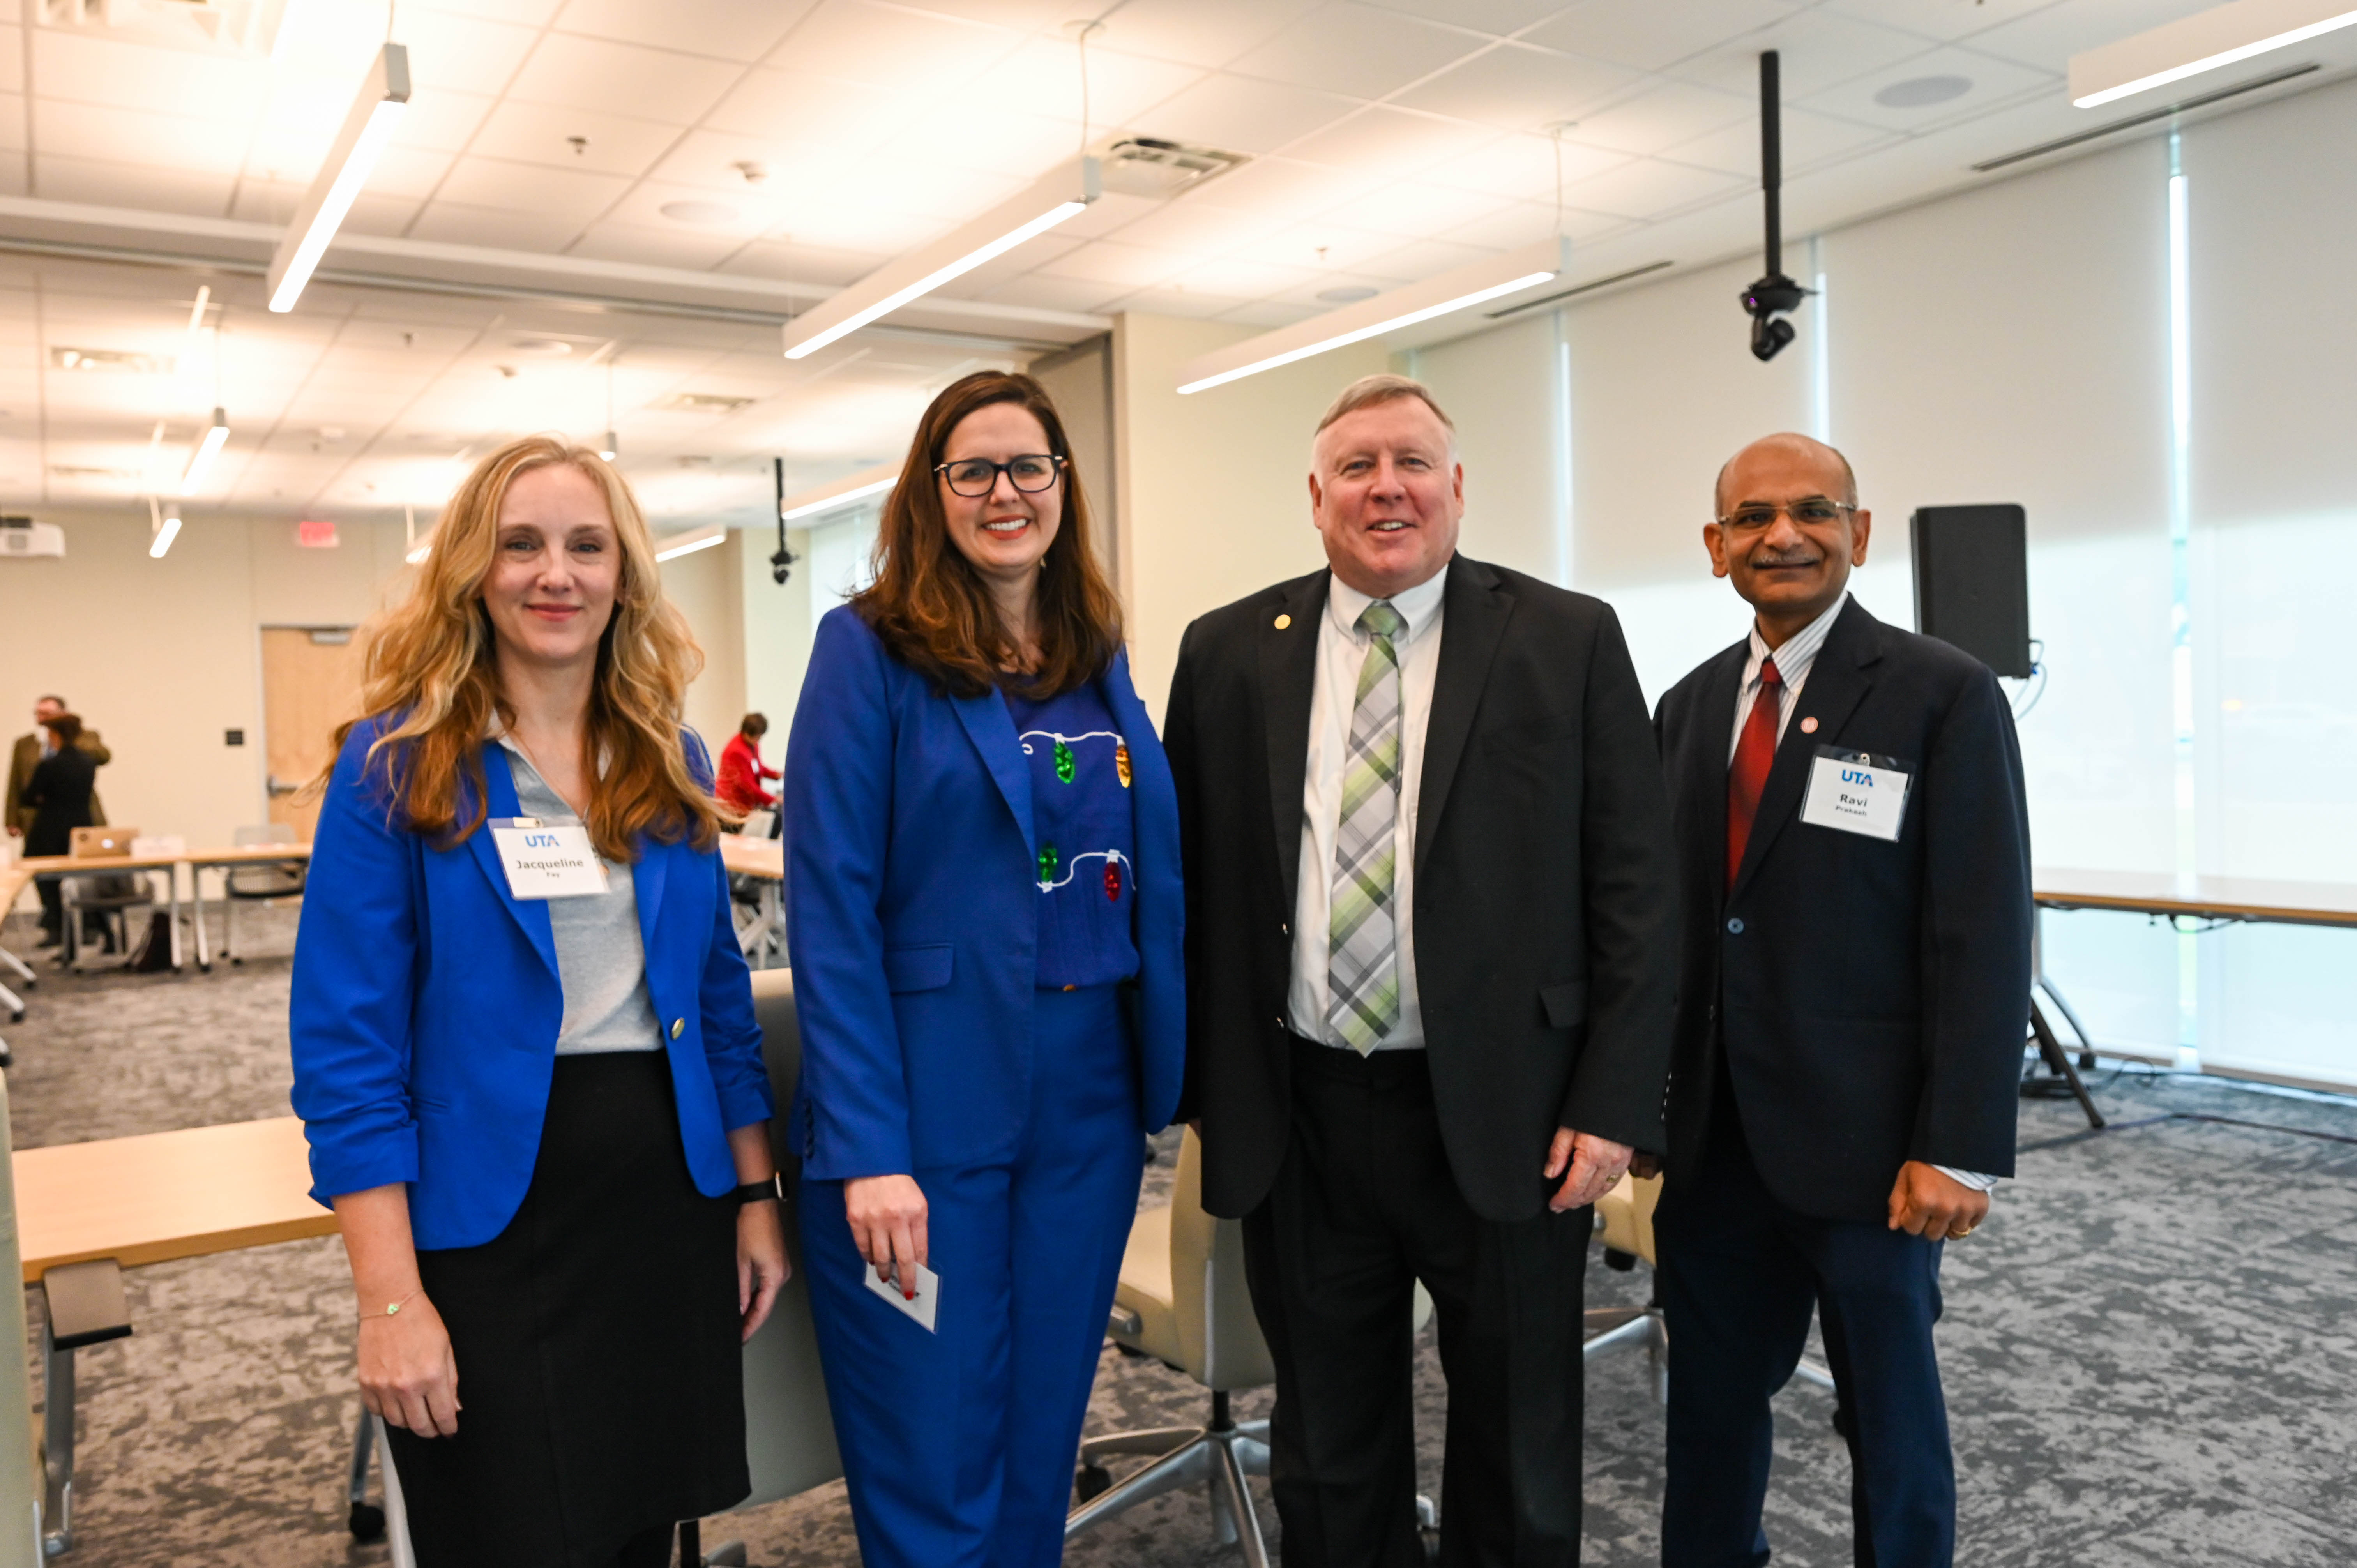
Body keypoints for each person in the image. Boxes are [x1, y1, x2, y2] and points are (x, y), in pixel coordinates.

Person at [1162, 373, 1678, 1568]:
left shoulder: (1565, 636)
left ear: (1457, 487)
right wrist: (1199, 1081)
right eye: (1357, 466)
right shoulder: (1230, 649)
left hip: (1514, 1109)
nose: (1385, 487)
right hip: (1303, 1110)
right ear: (1315, 495)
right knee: (1330, 1446)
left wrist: (1613, 1105)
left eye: (1411, 463)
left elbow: (1638, 893)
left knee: (1518, 1435)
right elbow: (1194, 885)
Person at [289, 435, 788, 1568]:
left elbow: (718, 1001)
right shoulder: (395, 766)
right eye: (521, 545)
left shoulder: (666, 756)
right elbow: (346, 1052)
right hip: (484, 1221)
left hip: (665, 1202)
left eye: (584, 545)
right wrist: (389, 1302)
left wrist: (756, 1196)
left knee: (641, 1534)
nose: (554, 573)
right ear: (474, 568)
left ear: (624, 573)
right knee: (500, 1534)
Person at [784, 370, 1184, 1568]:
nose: (1005, 492)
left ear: (1063, 485)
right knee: (933, 1426)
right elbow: (832, 909)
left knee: (1042, 1422)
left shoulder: (1093, 648)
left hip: (1090, 1098)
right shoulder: (864, 652)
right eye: (975, 471)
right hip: (926, 1101)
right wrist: (869, 1148)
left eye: (1030, 467)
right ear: (933, 491)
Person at [1649, 433, 2030, 1568]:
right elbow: (1670, 925)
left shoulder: (1941, 693)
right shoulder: (1686, 705)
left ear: (1859, 533)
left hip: (1875, 1153)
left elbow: (1983, 931)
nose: (1785, 534)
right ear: (1717, 548)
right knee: (1708, 1409)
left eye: (1814, 510)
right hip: (1715, 1144)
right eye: (1754, 518)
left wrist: (1961, 1146)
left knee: (1889, 1418)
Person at [18, 711, 97, 947]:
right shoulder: (88, 762)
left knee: (46, 878)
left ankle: (57, 925)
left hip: (50, 829)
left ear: (55, 734)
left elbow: (29, 797)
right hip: (82, 826)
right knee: (84, 879)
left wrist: (44, 798)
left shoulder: (49, 765)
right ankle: (93, 927)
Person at [7, 694, 108, 839]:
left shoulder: (85, 737)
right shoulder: (25, 743)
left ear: (63, 713)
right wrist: (12, 819)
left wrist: (67, 739)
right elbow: (15, 781)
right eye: (39, 713)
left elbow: (104, 757)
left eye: (47, 713)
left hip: (80, 813)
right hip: (40, 816)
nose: (42, 718)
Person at [716, 712, 779, 816]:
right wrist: (773, 799)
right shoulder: (736, 751)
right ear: (745, 732)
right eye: (755, 737)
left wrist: (775, 775)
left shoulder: (752, 744)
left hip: (746, 804)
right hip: (733, 804)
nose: (757, 740)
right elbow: (748, 786)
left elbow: (757, 767)